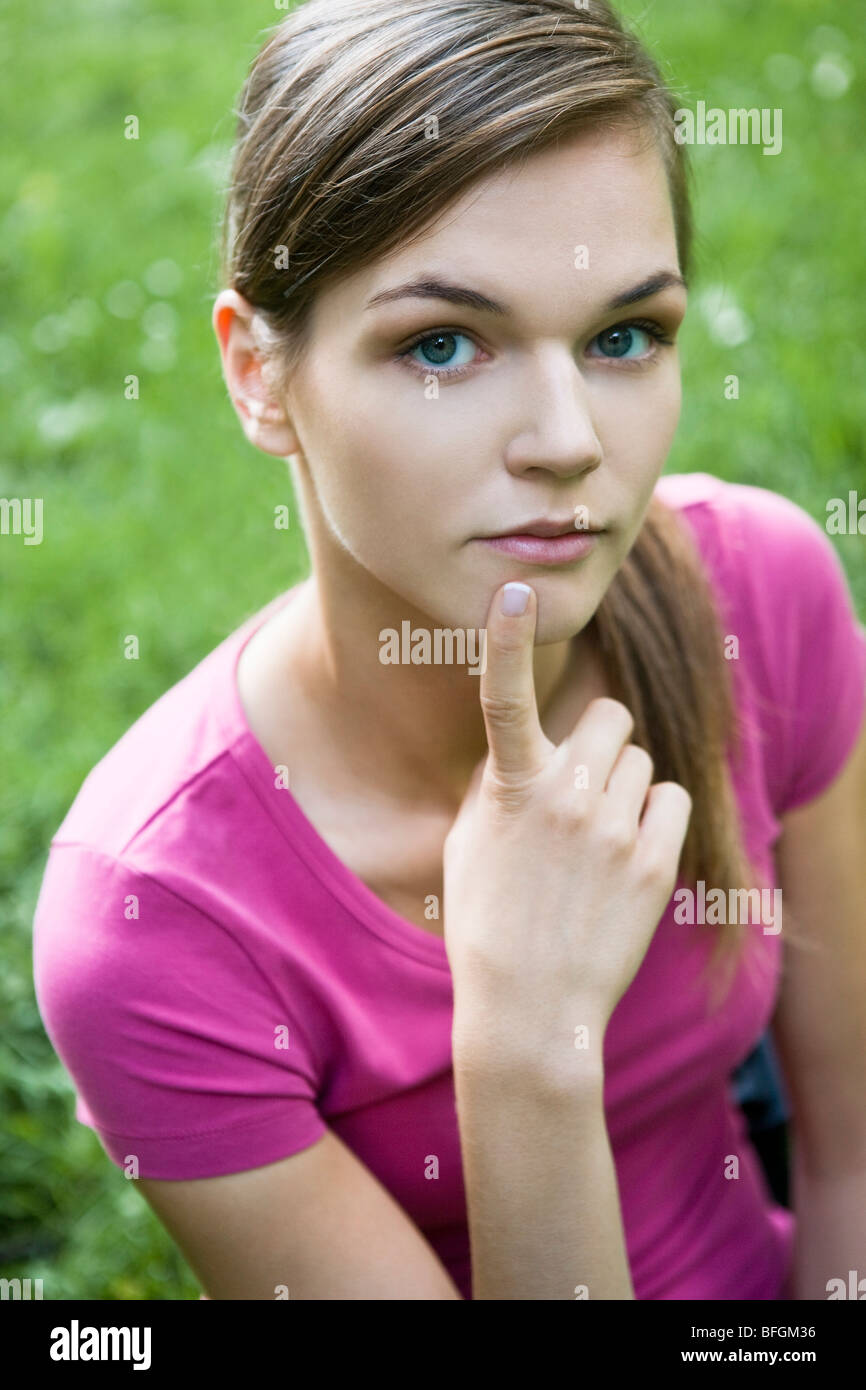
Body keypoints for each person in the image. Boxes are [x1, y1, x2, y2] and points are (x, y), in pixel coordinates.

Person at [32, 0, 866, 1301]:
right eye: (441, 344)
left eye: (622, 334)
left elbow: (849, 1161)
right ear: (258, 372)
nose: (567, 439)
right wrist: (527, 1039)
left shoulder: (759, 595)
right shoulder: (156, 919)